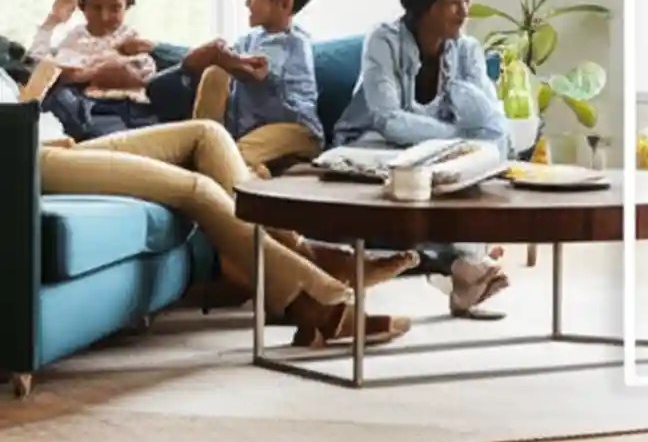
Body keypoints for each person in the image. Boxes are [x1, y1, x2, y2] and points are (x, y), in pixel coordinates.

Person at [3, 62, 420, 347]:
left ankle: (305, 255)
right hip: (28, 162)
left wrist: (32, 96)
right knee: (197, 190)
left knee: (207, 134)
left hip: (57, 143)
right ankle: (311, 302)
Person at [334, 0, 510, 318]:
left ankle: (465, 268)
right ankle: (464, 269)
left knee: (476, 166)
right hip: (370, 145)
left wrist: (460, 144)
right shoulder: (383, 40)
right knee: (423, 172)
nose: (464, 11)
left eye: (467, 1)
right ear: (426, 8)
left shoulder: (467, 50)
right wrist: (459, 139)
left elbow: (493, 124)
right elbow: (388, 120)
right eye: (453, 2)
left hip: (436, 153)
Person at [181, 0, 324, 176]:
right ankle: (202, 141)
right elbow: (210, 64)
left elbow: (256, 72)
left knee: (231, 154)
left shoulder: (295, 43)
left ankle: (222, 164)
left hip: (297, 131)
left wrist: (222, 56)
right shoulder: (249, 40)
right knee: (214, 73)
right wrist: (211, 57)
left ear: (284, 2)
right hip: (253, 131)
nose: (247, 1)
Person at [32, 0, 160, 139]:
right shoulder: (76, 38)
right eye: (96, 8)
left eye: (115, 8)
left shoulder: (131, 38)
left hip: (136, 107)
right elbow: (41, 67)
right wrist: (51, 22)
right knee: (61, 98)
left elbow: (145, 72)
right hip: (95, 108)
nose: (105, 17)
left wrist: (125, 67)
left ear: (127, 6)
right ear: (82, 6)